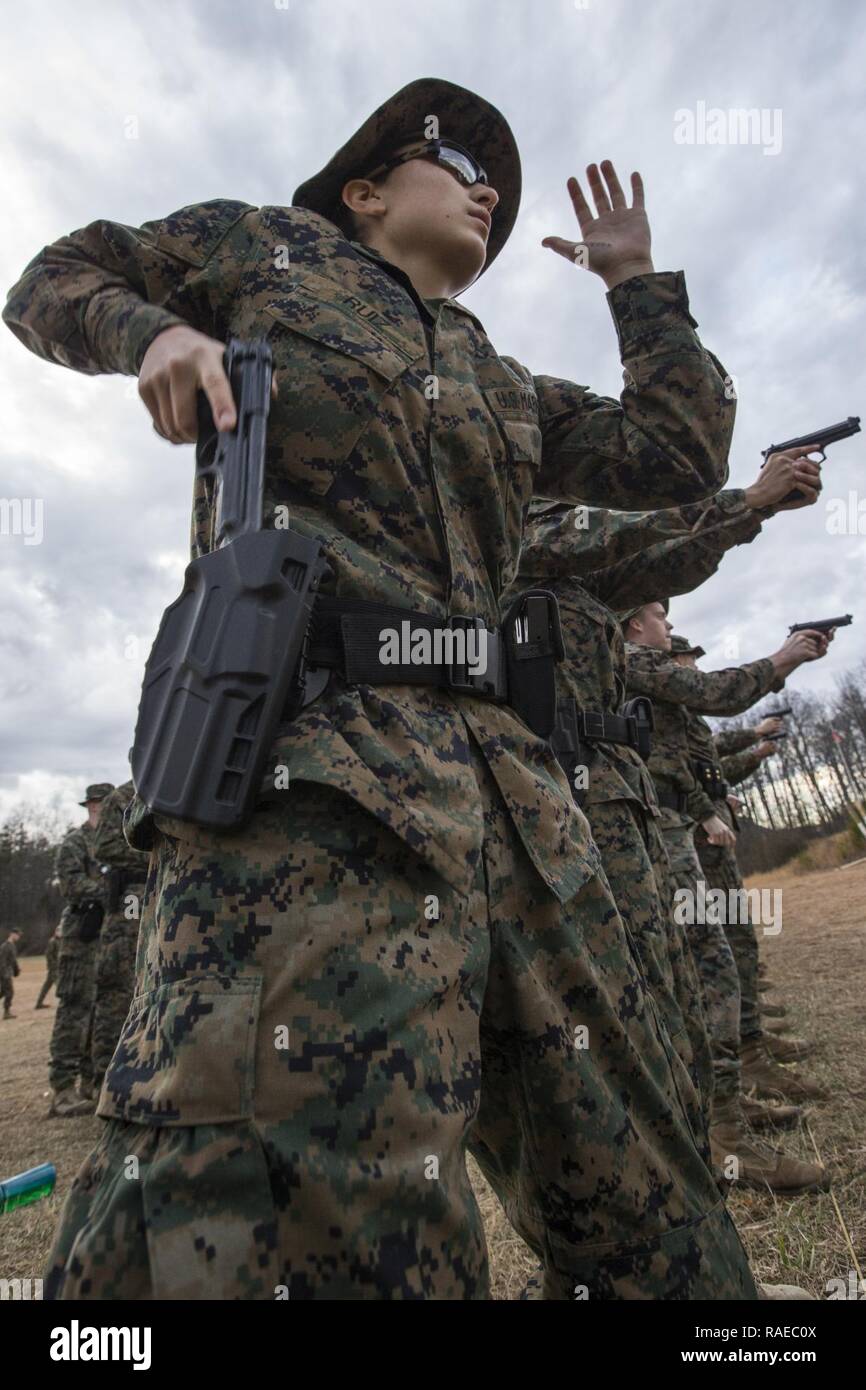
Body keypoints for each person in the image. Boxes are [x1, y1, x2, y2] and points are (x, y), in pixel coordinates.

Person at [5, 77, 754, 1300]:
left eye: (500, 190)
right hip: (315, 784)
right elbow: (52, 277)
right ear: (362, 189)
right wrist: (155, 334)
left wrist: (634, 287)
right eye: (457, 158)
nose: (487, 188)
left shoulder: (496, 376)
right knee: (309, 1205)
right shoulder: (266, 253)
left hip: (512, 799)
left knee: (654, 1200)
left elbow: (673, 455)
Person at [624, 618, 829, 1192]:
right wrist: (783, 659)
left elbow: (701, 754)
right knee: (709, 969)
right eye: (661, 619)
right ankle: (723, 1129)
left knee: (720, 956)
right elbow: (694, 736)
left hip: (670, 823)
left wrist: (753, 750)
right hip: (664, 828)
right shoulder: (632, 663)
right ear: (637, 624)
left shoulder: (641, 674)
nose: (669, 629)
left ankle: (731, 1100)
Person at [48, 783, 113, 1117]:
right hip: (80, 935)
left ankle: (91, 1082)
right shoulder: (75, 843)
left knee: (102, 1009)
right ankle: (62, 1088)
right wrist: (108, 889)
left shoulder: (113, 842)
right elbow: (71, 886)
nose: (106, 811)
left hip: (108, 935)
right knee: (74, 1008)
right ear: (90, 806)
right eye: (102, 805)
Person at [90, 779, 149, 1092]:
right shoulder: (121, 797)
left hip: (158, 897)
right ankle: (105, 1079)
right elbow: (105, 847)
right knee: (117, 989)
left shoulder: (167, 785)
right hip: (129, 902)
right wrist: (154, 854)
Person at [35, 927, 60, 1008]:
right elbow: (48, 955)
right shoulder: (52, 941)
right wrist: (53, 965)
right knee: (60, 985)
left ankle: (39, 1003)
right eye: (59, 931)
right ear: (55, 932)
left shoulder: (60, 941)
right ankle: (66, 1003)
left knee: (47, 986)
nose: (60, 932)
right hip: (54, 968)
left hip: (57, 968)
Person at [1, 928, 23, 1019]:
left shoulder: (12, 946)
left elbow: (13, 960)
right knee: (10, 992)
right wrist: (4, 973)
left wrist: (17, 970)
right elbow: (2, 961)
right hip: (4, 972)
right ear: (12, 934)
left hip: (8, 972)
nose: (18, 937)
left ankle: (7, 1012)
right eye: (17, 935)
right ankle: (6, 1013)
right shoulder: (5, 946)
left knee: (3, 992)